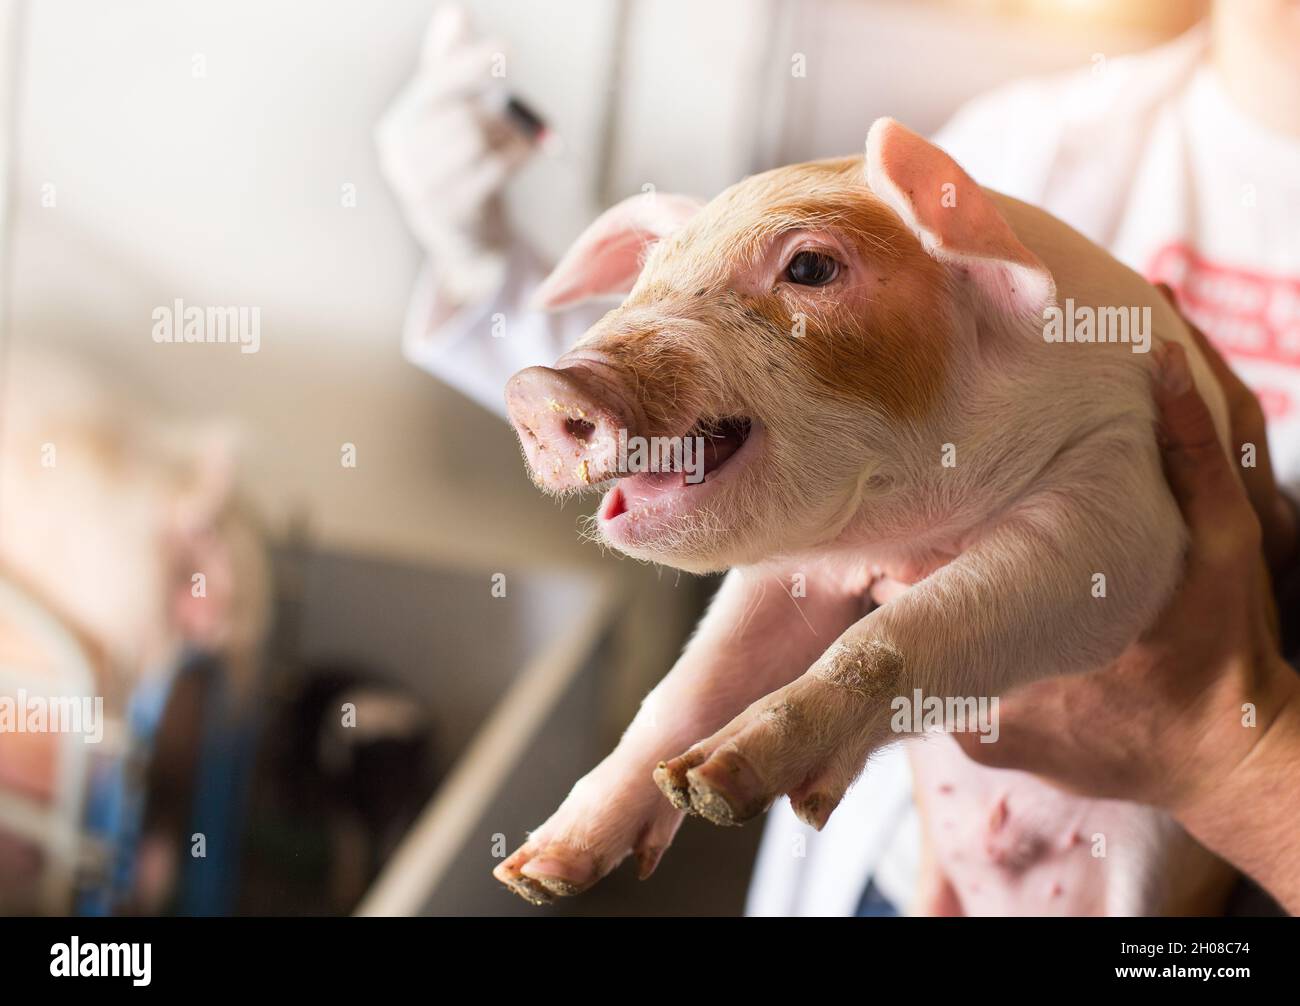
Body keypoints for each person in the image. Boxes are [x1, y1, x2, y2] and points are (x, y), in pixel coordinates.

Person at [376, 3, 1300, 915]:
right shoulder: (1032, 140)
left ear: (1000, 279)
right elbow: (767, 405)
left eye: (811, 266)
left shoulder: (993, 226)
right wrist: (481, 268)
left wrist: (1228, 763)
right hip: (901, 857)